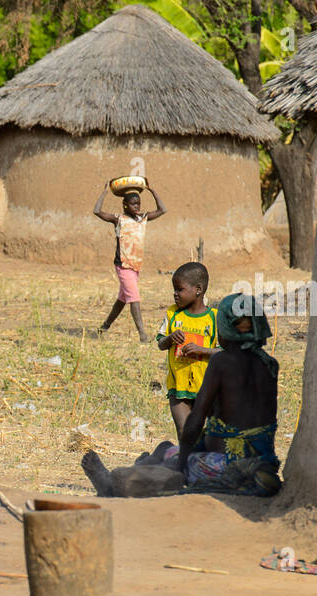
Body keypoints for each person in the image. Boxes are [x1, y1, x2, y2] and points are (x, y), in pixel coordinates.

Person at [176, 292, 281, 495]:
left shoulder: (221, 362)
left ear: (225, 329)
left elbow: (196, 420)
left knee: (163, 452)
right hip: (263, 464)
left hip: (225, 465)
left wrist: (180, 464)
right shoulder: (269, 364)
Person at [93, 180, 166, 342]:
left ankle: (104, 326)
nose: (137, 207)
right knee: (134, 298)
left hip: (136, 266)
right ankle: (142, 334)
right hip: (123, 265)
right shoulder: (118, 219)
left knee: (123, 299)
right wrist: (105, 192)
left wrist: (152, 189)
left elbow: (163, 209)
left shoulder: (143, 218)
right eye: (133, 204)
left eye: (138, 204)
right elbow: (97, 211)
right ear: (125, 205)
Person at [157, 262, 218, 442]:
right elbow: (160, 343)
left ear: (198, 289)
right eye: (174, 290)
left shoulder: (214, 318)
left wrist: (202, 350)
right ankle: (187, 468)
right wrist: (170, 338)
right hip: (178, 385)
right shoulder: (172, 315)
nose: (175, 294)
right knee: (185, 433)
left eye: (179, 289)